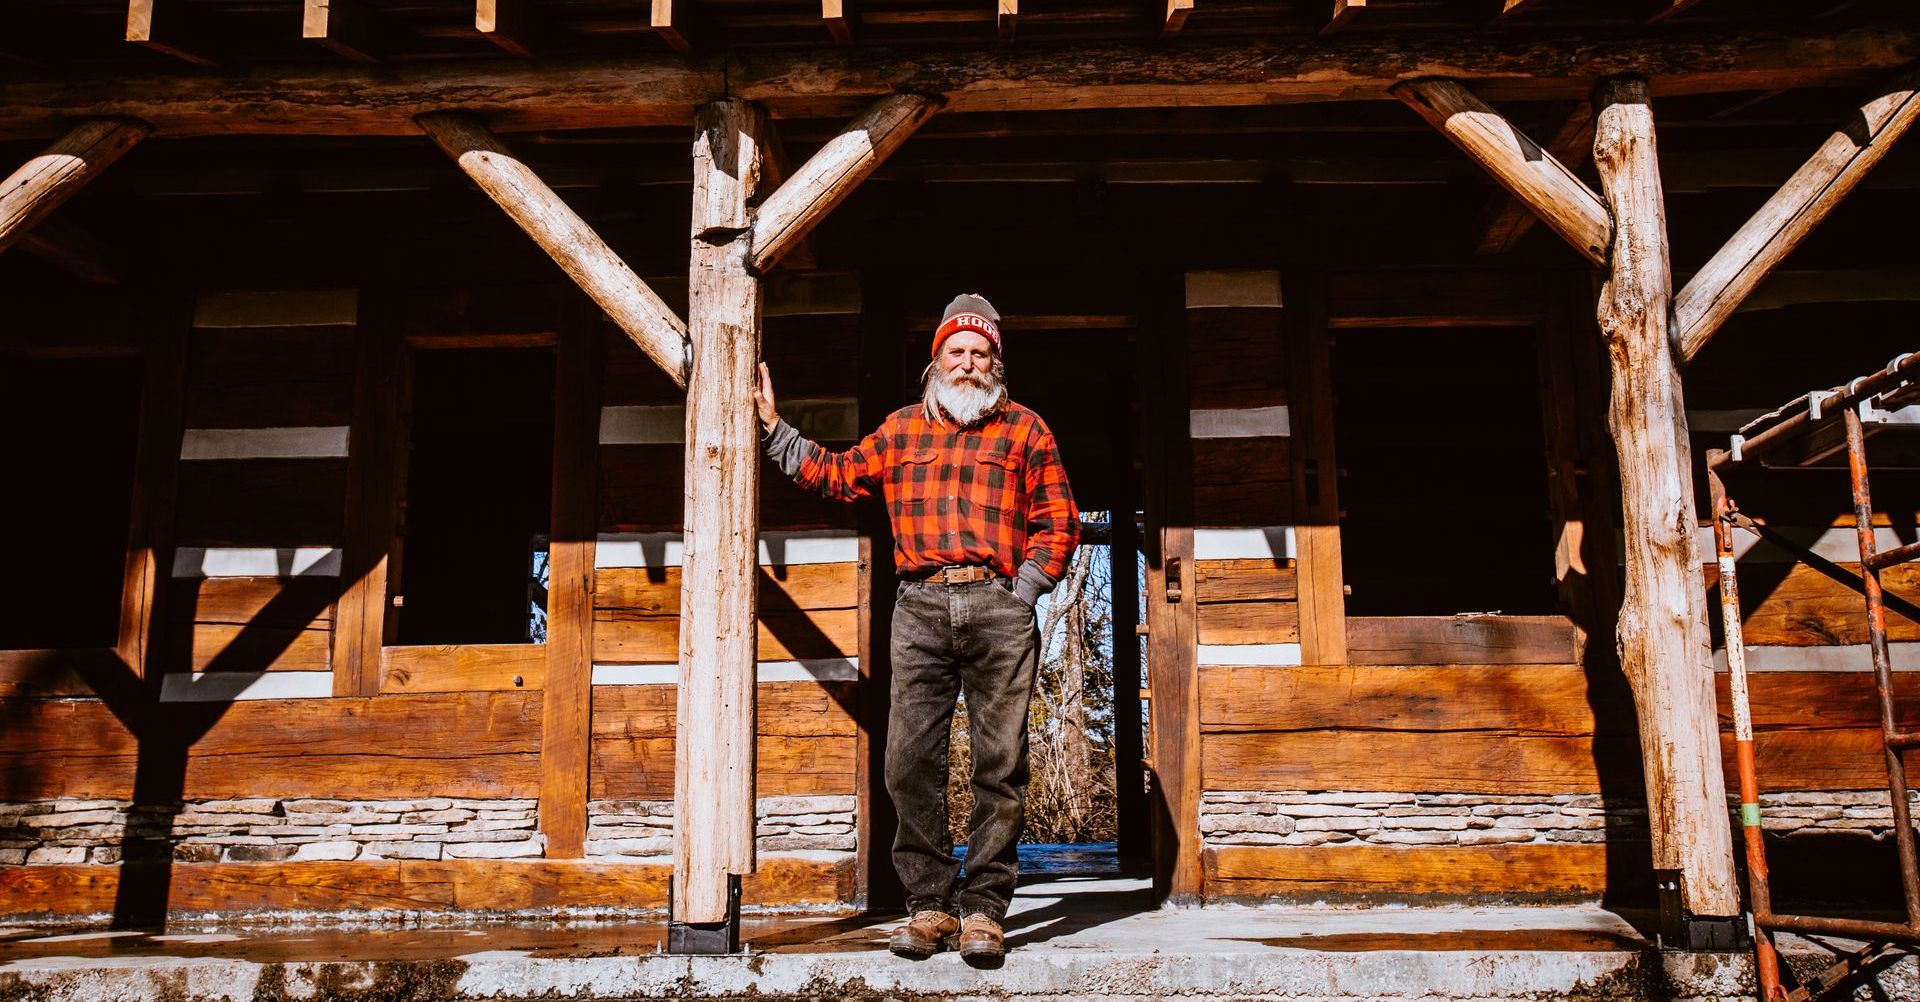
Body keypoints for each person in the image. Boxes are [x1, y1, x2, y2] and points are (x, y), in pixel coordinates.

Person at [755, 293, 1079, 961]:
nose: (967, 363)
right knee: (907, 761)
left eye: (979, 353)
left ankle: (985, 910)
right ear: (936, 361)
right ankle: (930, 907)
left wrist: (1025, 589)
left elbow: (1059, 520)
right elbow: (837, 476)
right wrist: (773, 428)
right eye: (955, 352)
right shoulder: (901, 429)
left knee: (1002, 763)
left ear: (996, 362)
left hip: (998, 607)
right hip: (921, 606)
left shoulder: (1026, 429)